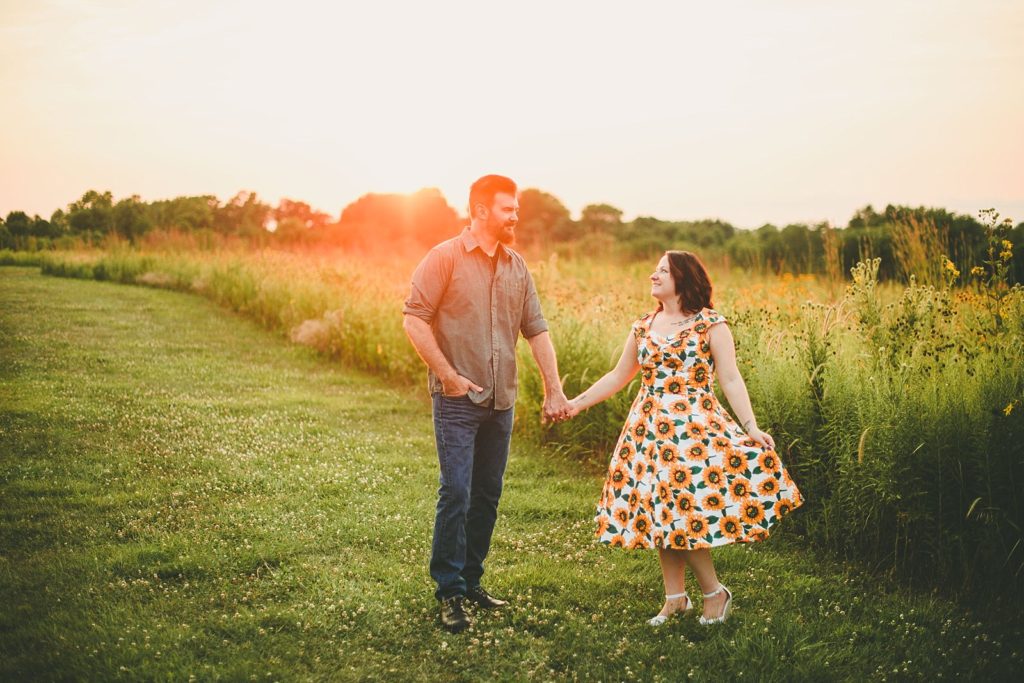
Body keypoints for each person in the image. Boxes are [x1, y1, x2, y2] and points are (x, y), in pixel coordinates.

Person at [566, 250, 803, 626]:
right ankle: (675, 599)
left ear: (683, 278)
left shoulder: (711, 324)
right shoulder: (643, 326)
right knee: (661, 510)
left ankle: (715, 593)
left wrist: (751, 426)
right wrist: (574, 404)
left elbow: (730, 378)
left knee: (685, 509)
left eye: (662, 270)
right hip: (647, 430)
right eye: (655, 269)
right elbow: (617, 377)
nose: (653, 275)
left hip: (694, 431)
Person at [402, 174, 572, 633]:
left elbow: (536, 330)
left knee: (487, 495)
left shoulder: (517, 267)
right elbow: (414, 319)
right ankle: (449, 591)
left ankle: (471, 579)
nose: (515, 215)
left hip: (502, 402)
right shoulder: (444, 258)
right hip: (458, 400)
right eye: (507, 209)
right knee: (456, 492)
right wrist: (448, 376)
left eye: (515, 208)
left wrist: (554, 388)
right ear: (480, 210)